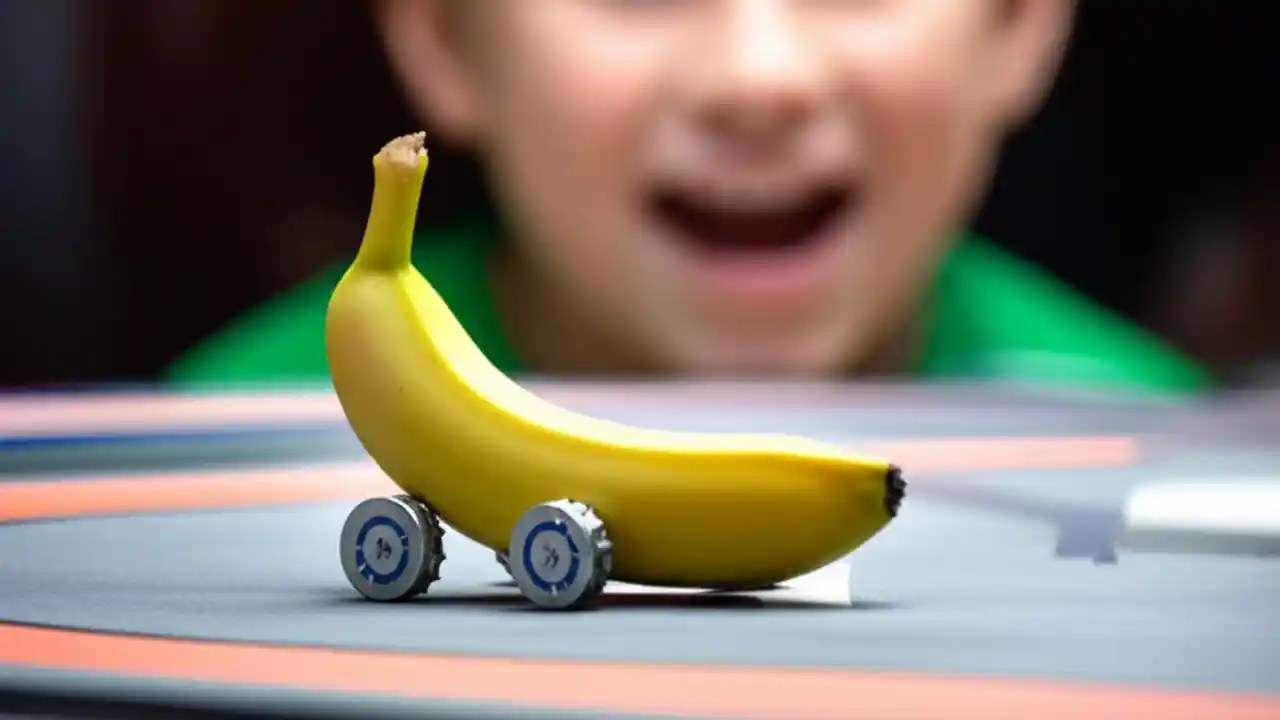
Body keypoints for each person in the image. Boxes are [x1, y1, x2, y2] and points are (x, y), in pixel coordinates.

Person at [168, 0, 1209, 394]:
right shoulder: (217, 454)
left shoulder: (1163, 454)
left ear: (1019, 26)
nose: (759, 77)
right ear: (446, 40)